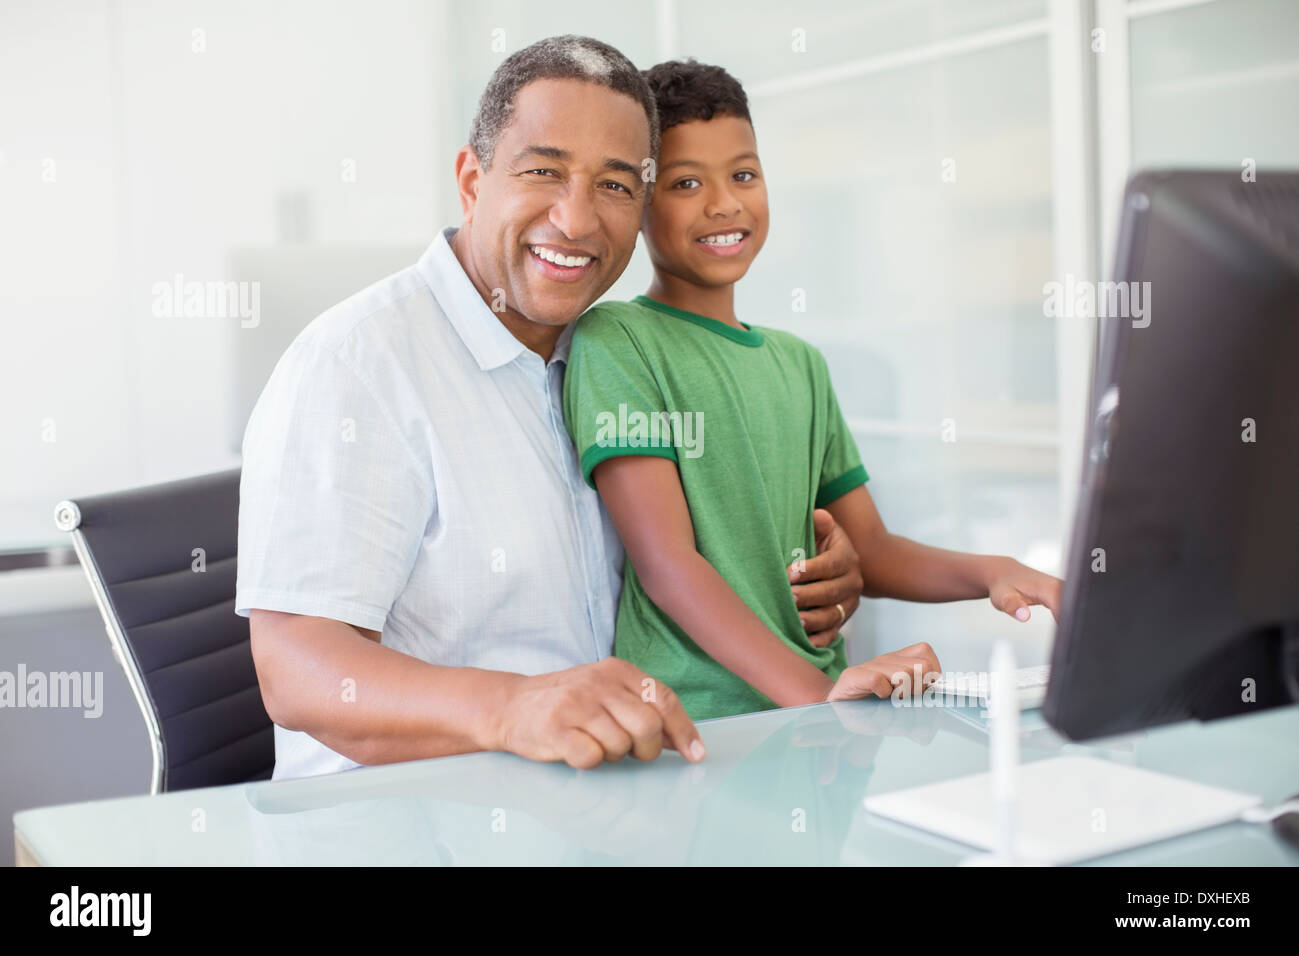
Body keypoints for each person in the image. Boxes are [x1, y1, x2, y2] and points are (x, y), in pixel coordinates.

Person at [236, 36, 883, 779]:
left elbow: (685, 556)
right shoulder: (357, 364)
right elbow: (296, 667)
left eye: (614, 185)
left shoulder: (618, 358)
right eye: (543, 171)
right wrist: (515, 708)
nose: (576, 221)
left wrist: (816, 564)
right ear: (472, 181)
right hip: (406, 822)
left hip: (609, 804)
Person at [562, 59, 1062, 721]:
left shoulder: (801, 365)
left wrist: (993, 571)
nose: (725, 203)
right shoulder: (617, 341)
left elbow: (873, 551)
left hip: (817, 716)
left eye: (744, 174)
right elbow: (667, 564)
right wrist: (819, 696)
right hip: (697, 720)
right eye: (686, 182)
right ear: (642, 204)